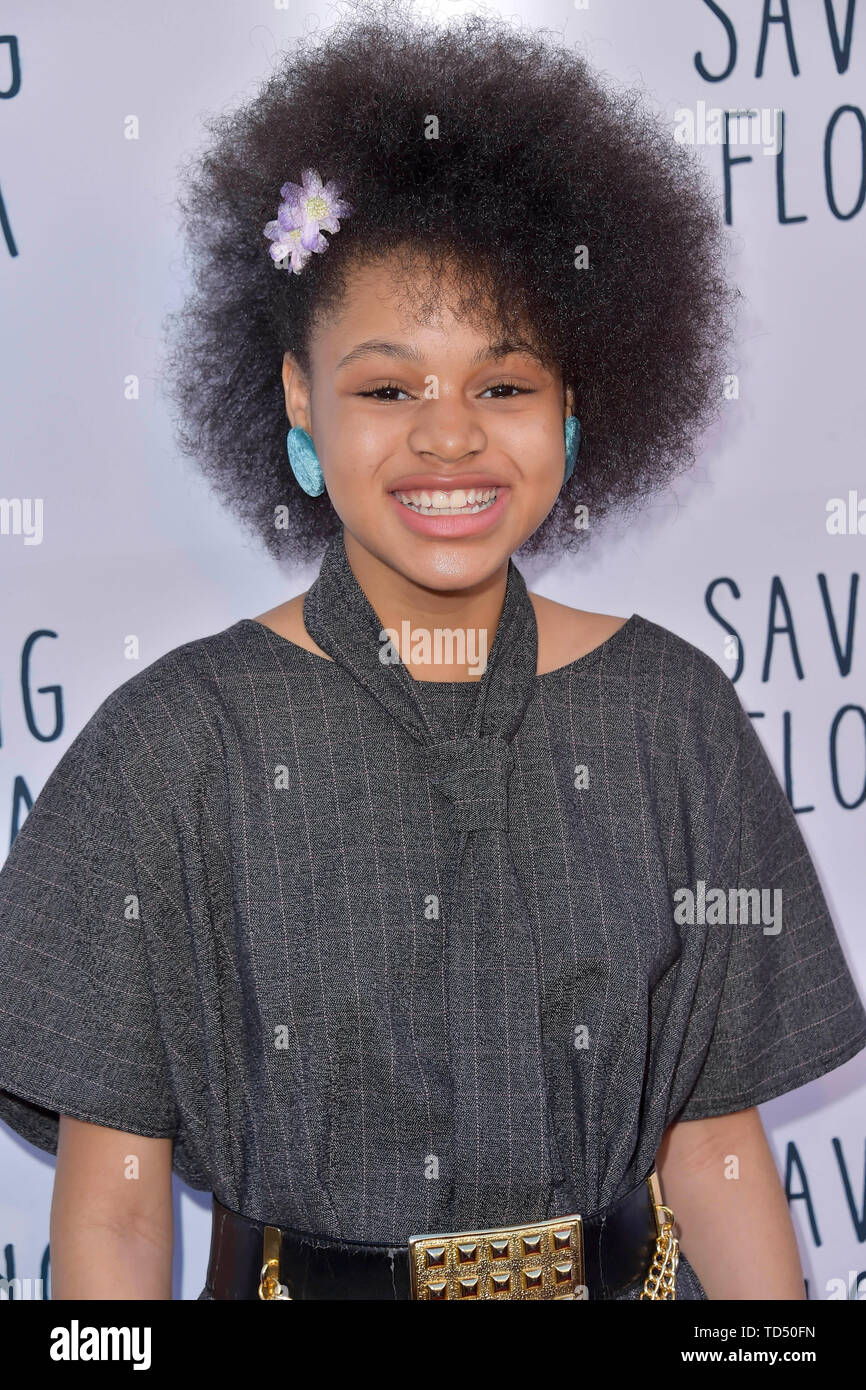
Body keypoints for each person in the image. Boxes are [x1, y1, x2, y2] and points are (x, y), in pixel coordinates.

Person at [1, 4, 864, 1301]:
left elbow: (714, 1145)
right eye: (388, 387)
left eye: (502, 386)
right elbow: (114, 1224)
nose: (448, 440)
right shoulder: (167, 749)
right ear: (299, 398)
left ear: (575, 405)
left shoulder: (667, 713)